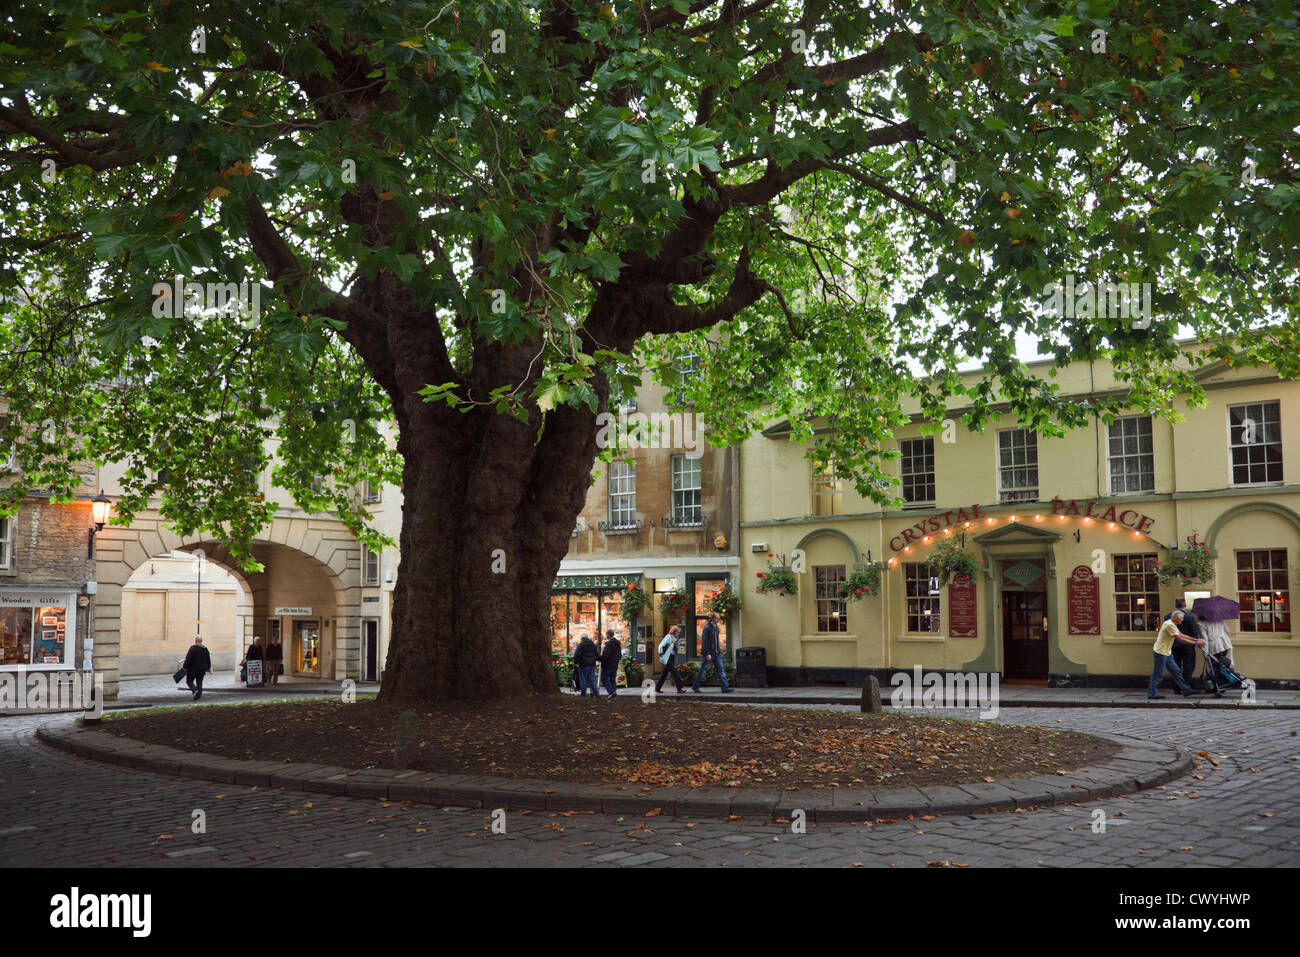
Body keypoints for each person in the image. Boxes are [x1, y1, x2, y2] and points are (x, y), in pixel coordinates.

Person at [1147, 610, 1203, 700]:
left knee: (1176, 672)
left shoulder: (1172, 623)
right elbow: (1180, 639)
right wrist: (1195, 642)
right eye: (1181, 618)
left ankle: (1186, 690)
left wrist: (1196, 640)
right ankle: (1152, 693)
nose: (1182, 620)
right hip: (1161, 652)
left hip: (1167, 652)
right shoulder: (1169, 625)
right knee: (1158, 674)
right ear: (1177, 618)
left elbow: (1181, 634)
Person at [692, 612, 733, 693]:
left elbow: (716, 640)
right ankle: (695, 686)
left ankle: (725, 688)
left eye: (719, 618)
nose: (718, 619)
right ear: (713, 618)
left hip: (717, 653)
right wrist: (707, 654)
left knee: (721, 671)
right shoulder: (707, 628)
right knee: (703, 670)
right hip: (709, 654)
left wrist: (719, 649)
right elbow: (704, 642)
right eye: (717, 618)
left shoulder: (716, 628)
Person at [1163, 598, 1200, 687]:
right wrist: (1195, 641)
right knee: (1189, 666)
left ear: (1175, 605)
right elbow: (1194, 633)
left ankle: (1177, 686)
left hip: (1173, 645)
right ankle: (1185, 686)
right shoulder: (1190, 617)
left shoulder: (1167, 616)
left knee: (1176, 667)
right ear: (1185, 605)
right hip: (1187, 646)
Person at [655, 625, 686, 694]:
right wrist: (660, 653)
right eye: (678, 632)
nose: (679, 633)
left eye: (679, 632)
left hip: (672, 656)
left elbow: (677, 648)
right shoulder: (668, 637)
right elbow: (660, 645)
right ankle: (679, 688)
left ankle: (657, 688)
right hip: (666, 656)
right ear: (674, 632)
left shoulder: (677, 639)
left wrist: (675, 644)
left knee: (664, 674)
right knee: (674, 672)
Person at [183, 636, 213, 701]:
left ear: (195, 640)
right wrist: (208, 668)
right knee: (199, 682)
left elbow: (188, 658)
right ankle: (198, 696)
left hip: (192, 669)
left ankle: (194, 690)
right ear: (201, 641)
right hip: (202, 670)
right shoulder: (205, 649)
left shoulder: (192, 648)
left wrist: (185, 667)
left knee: (189, 681)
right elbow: (208, 659)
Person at [599, 628, 622, 698]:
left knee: (604, 678)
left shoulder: (609, 644)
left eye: (606, 634)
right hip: (615, 664)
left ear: (608, 635)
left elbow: (606, 655)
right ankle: (614, 691)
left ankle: (611, 692)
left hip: (608, 664)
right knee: (612, 678)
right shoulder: (617, 643)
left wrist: (599, 658)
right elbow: (619, 655)